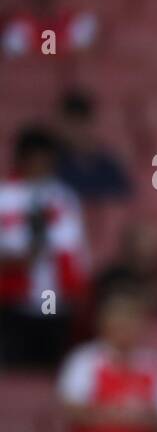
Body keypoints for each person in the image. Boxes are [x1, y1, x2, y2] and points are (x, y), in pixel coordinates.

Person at [58, 285, 157, 432]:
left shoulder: (156, 364)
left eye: (132, 321)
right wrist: (123, 415)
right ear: (104, 325)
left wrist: (132, 418)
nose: (126, 329)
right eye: (120, 322)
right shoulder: (83, 361)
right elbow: (73, 412)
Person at [0, 127, 89, 369]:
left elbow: (75, 247)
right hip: (13, 296)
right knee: (15, 364)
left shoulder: (62, 196)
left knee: (49, 359)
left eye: (47, 160)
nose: (42, 166)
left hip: (50, 293)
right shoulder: (5, 196)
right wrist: (22, 256)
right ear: (23, 159)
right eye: (36, 159)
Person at [56, 89, 132, 205]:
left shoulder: (108, 164)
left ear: (91, 123)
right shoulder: (52, 164)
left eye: (81, 123)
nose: (77, 131)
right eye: (71, 124)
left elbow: (124, 200)